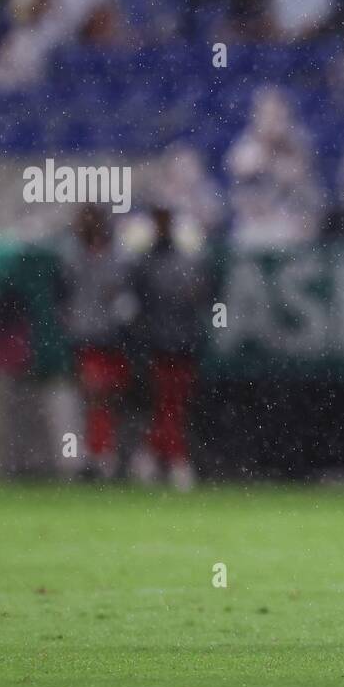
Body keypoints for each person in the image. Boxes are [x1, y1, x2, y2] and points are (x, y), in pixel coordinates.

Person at [129, 207, 210, 491]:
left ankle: (150, 457)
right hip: (159, 345)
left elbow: (199, 294)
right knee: (168, 405)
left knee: (171, 406)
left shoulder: (184, 257)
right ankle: (175, 461)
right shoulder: (146, 260)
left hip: (180, 344)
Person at [55, 204, 135, 480]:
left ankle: (104, 453)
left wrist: (122, 313)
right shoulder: (72, 256)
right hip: (86, 339)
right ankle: (97, 454)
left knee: (107, 399)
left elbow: (126, 296)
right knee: (94, 395)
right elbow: (63, 297)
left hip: (112, 339)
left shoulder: (117, 256)